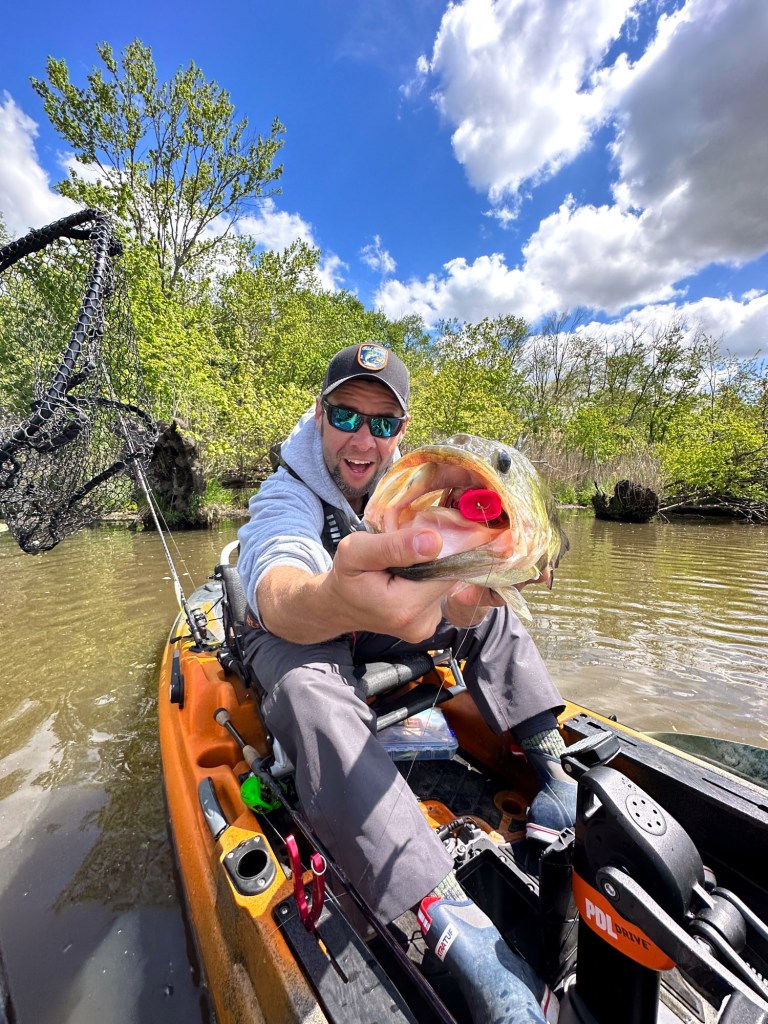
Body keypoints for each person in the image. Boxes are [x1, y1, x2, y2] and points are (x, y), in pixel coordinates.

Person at [238, 342, 574, 1024]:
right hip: (291, 629)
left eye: (384, 423)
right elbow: (275, 583)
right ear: (318, 415)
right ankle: (439, 910)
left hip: (369, 623)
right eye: (346, 416)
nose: (364, 438)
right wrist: (333, 599)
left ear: (402, 432)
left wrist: (486, 573)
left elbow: (453, 585)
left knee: (488, 606)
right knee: (308, 688)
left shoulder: (418, 488)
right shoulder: (288, 490)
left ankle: (552, 764)